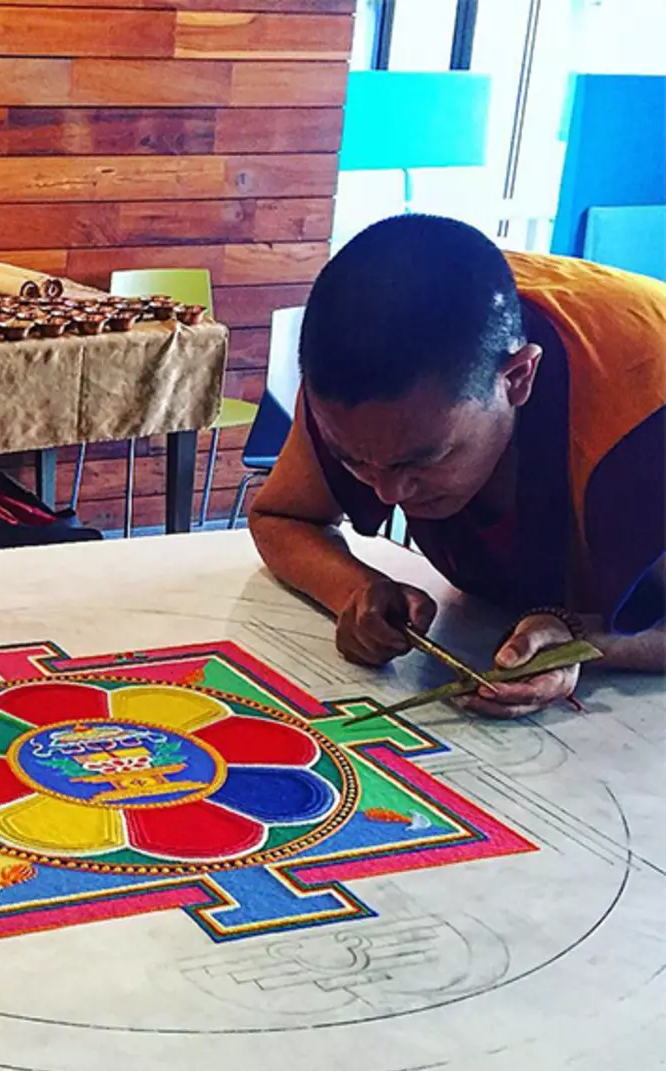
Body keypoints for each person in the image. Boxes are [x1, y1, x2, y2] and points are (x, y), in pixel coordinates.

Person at [250, 214, 665, 718]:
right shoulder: (362, 377)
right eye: (353, 460)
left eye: (421, 459)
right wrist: (355, 589)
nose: (388, 494)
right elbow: (282, 516)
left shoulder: (643, 419)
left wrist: (583, 638)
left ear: (517, 379)